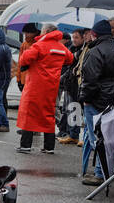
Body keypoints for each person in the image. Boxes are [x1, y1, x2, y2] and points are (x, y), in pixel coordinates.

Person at [15, 22, 73, 154]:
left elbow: (24, 59)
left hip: (35, 85)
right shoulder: (61, 47)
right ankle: (49, 147)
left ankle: (25, 146)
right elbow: (70, 59)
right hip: (51, 86)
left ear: (46, 31)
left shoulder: (39, 45)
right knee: (49, 115)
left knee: (29, 114)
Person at [79, 19, 114, 185]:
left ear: (94, 34)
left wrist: (85, 99)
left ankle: (101, 173)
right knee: (110, 137)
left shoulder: (95, 51)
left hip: (97, 99)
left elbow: (90, 79)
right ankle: (104, 171)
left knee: (97, 137)